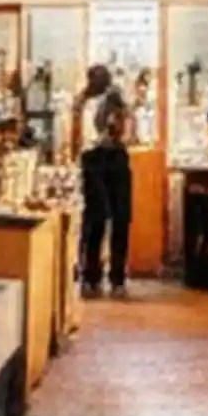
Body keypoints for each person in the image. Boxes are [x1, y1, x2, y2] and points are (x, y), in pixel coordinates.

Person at [72, 64, 132, 299]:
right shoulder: (82, 101)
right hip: (92, 158)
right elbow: (76, 133)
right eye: (97, 78)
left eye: (104, 78)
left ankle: (117, 278)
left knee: (121, 218)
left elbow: (124, 126)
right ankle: (90, 276)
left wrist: (119, 116)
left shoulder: (115, 99)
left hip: (115, 155)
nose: (102, 81)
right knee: (94, 220)